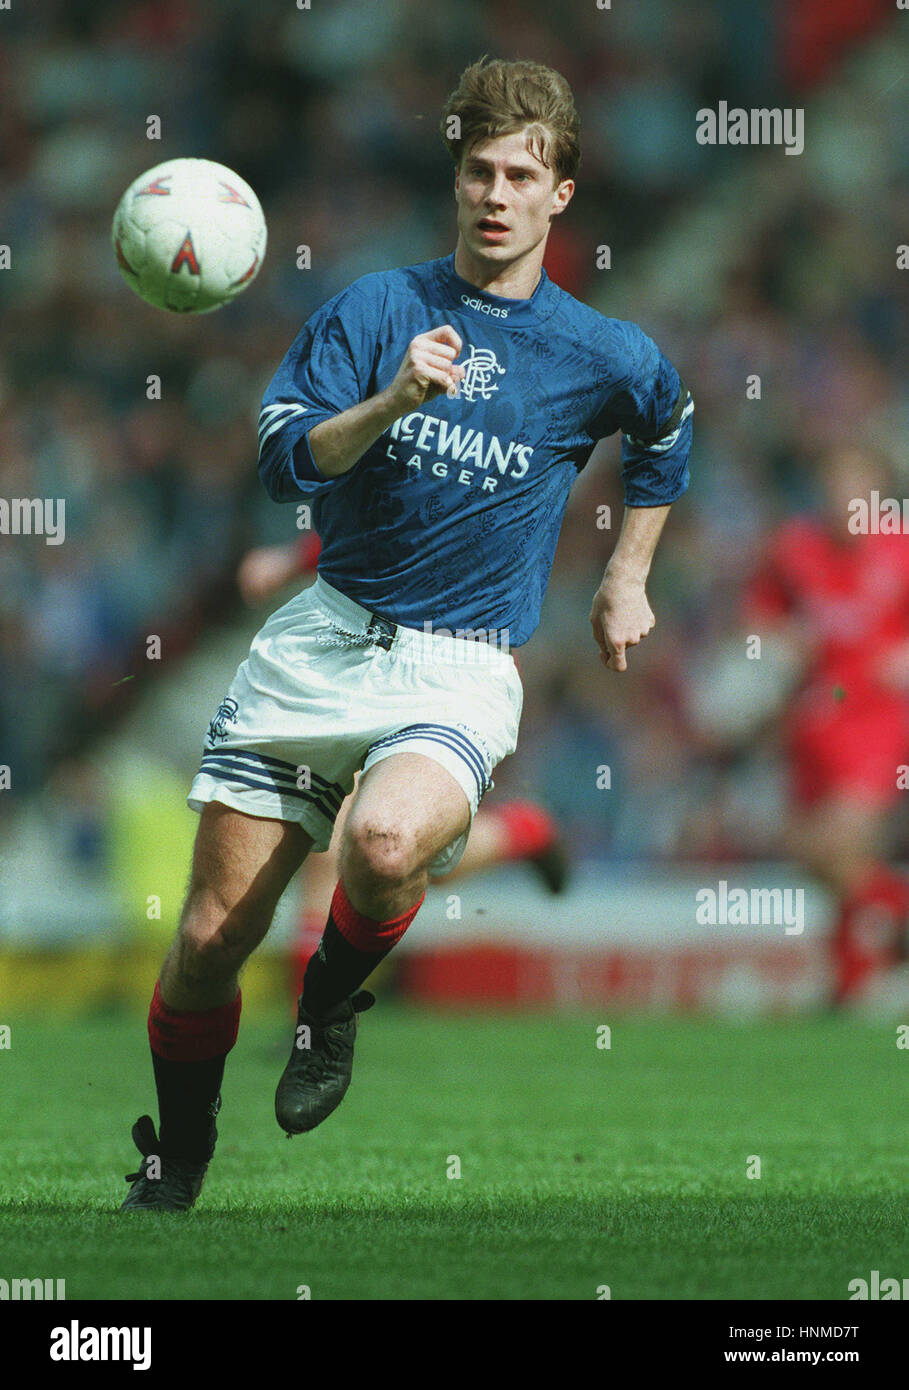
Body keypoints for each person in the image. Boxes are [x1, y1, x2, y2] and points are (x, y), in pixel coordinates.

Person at [121, 56, 693, 1211]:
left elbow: (669, 429)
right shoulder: (377, 309)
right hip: (321, 644)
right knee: (206, 944)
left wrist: (626, 577)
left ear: (560, 194)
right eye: (478, 169)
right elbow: (287, 456)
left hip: (461, 662)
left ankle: (328, 1008)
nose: (496, 192)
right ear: (457, 178)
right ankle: (176, 1163)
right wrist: (389, 404)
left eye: (521, 174)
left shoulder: (601, 352)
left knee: (385, 846)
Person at [238, 532, 569, 1005]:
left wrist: (288, 559)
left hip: (457, 675)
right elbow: (379, 517)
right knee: (379, 854)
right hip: (373, 668)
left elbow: (409, 518)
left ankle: (311, 1021)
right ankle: (521, 831)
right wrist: (293, 560)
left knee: (374, 851)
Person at [743, 445, 909, 1006]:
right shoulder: (796, 548)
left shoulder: (902, 548)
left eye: (858, 490)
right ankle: (854, 973)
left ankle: (860, 962)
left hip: (878, 720)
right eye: (837, 488)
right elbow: (760, 616)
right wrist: (775, 644)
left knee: (839, 843)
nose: (846, 503)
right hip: (812, 720)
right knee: (813, 855)